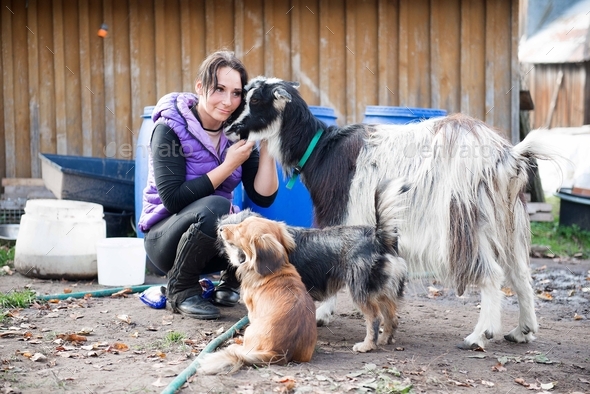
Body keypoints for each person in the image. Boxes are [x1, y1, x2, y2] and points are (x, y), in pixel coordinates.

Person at [138, 50, 278, 319]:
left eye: (236, 93)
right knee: (218, 206)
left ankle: (229, 283)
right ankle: (181, 290)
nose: (228, 101)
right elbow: (173, 199)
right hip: (164, 238)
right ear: (200, 87)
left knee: (256, 221)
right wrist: (227, 165)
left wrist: (268, 144)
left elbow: (263, 197)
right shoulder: (169, 128)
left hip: (209, 242)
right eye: (219, 89)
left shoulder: (237, 131)